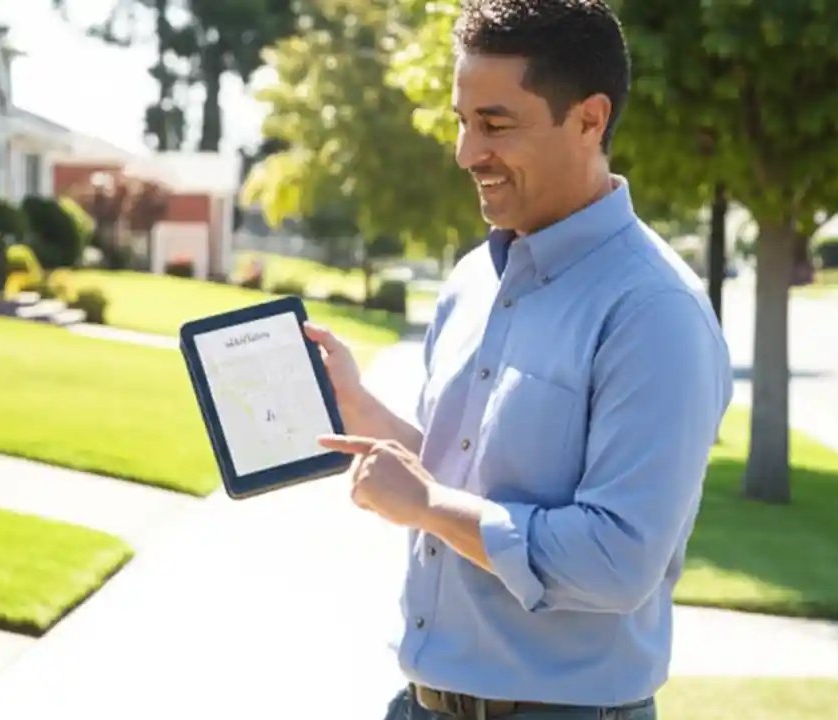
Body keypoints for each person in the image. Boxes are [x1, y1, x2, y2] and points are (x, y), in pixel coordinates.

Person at [304, 0, 733, 717]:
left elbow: (617, 559)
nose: (467, 153)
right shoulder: (473, 279)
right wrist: (361, 409)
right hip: (418, 705)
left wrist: (429, 507)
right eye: (463, 122)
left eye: (495, 124)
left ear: (590, 120)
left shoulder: (654, 311)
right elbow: (464, 479)